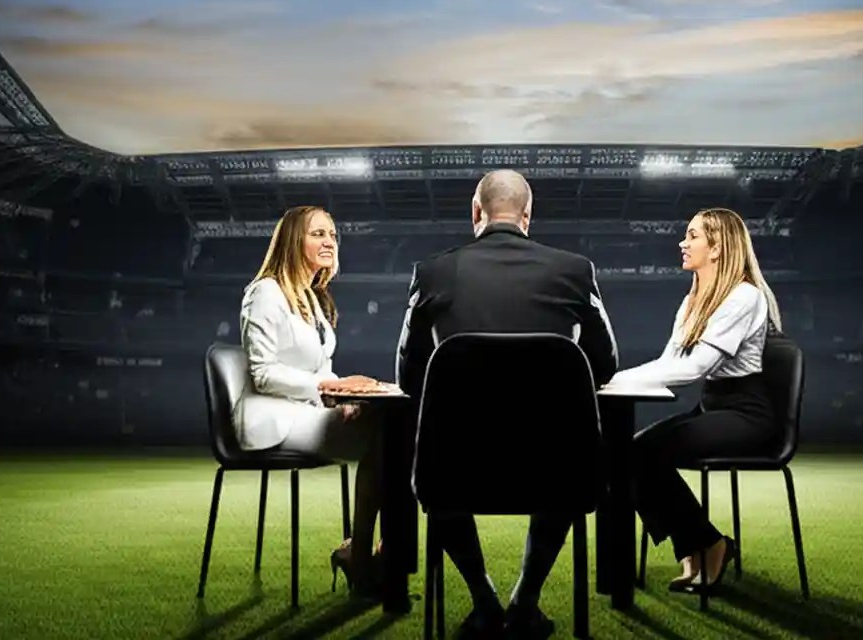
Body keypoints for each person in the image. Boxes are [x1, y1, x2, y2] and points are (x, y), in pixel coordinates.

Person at [396, 170, 618, 638]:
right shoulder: (574, 270)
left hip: (455, 466)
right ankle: (525, 602)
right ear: (528, 216)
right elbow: (605, 364)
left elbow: (408, 376)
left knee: (437, 459)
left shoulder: (432, 271)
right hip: (557, 466)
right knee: (564, 448)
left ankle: (483, 600)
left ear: (476, 213)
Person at [609, 207, 784, 594]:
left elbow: (695, 367)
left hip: (746, 413)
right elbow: (668, 362)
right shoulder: (692, 300)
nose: (682, 243)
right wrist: (613, 380)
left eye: (692, 236)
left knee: (642, 454)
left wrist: (609, 381)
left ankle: (710, 545)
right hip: (713, 406)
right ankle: (695, 544)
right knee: (631, 452)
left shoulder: (744, 296)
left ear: (718, 246)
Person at [237, 205, 384, 594]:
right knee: (387, 430)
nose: (330, 241)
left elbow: (321, 373)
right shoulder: (266, 292)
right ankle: (368, 554)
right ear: (292, 240)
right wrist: (329, 391)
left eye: (333, 235)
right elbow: (263, 374)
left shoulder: (314, 299)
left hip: (307, 414)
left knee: (391, 422)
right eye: (318, 233)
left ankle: (374, 552)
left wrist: (345, 393)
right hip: (275, 421)